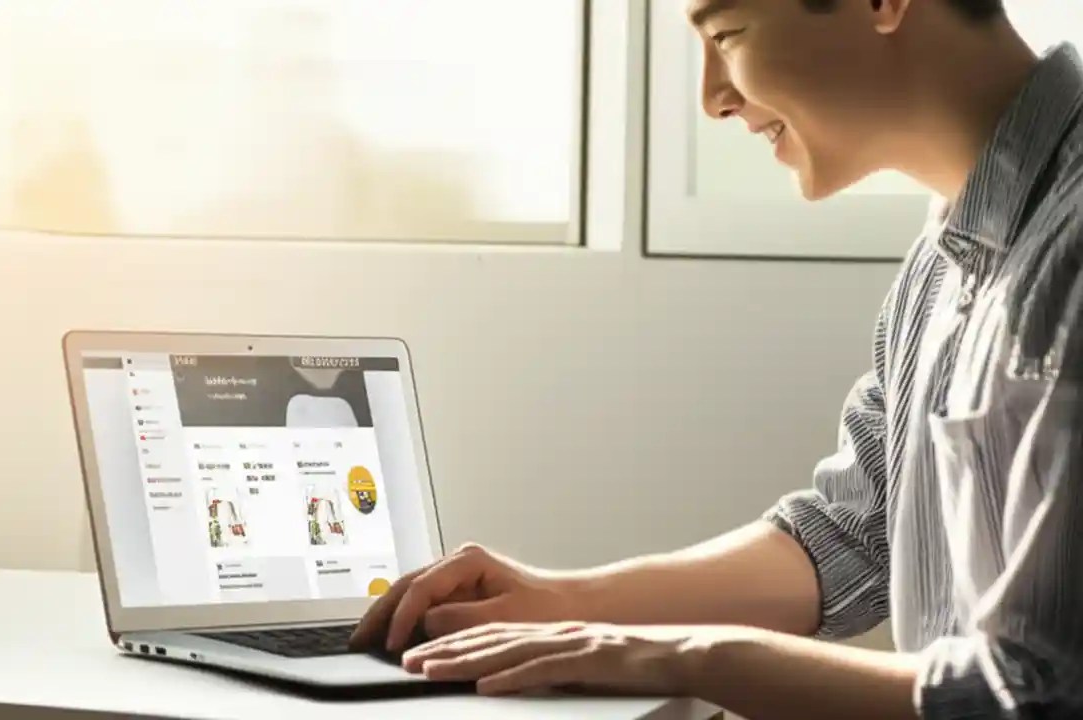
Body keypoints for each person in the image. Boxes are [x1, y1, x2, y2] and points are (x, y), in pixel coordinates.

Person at [348, 1, 1083, 718]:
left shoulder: (1069, 254)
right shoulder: (943, 262)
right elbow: (851, 536)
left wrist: (697, 658)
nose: (711, 99)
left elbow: (1036, 691)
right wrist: (558, 600)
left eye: (727, 33)